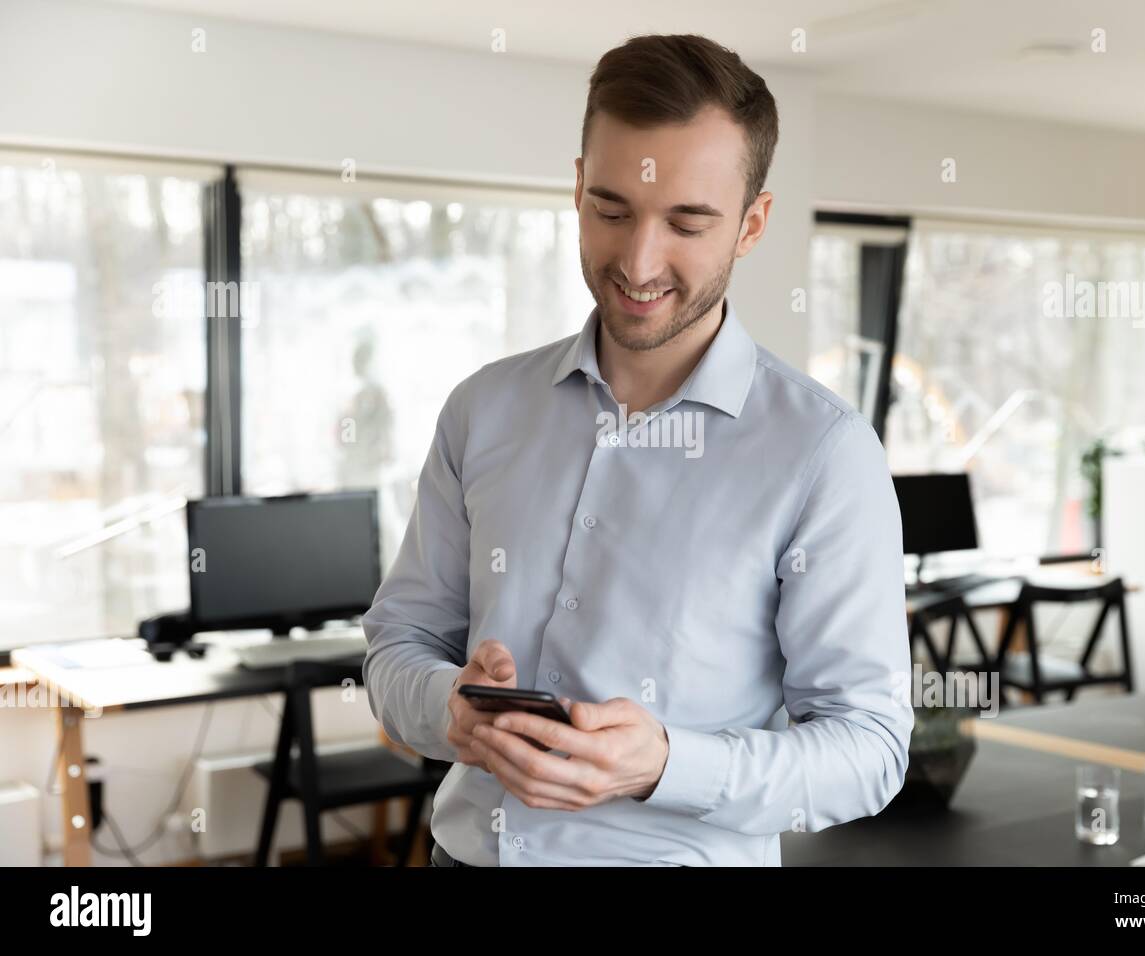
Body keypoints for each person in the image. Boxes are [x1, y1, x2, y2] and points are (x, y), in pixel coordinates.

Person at [362, 33, 912, 867]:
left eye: (688, 222)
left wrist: (668, 764)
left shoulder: (825, 454)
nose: (638, 260)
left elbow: (869, 751)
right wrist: (450, 706)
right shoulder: (483, 408)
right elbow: (396, 643)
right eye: (612, 209)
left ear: (752, 224)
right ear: (577, 186)